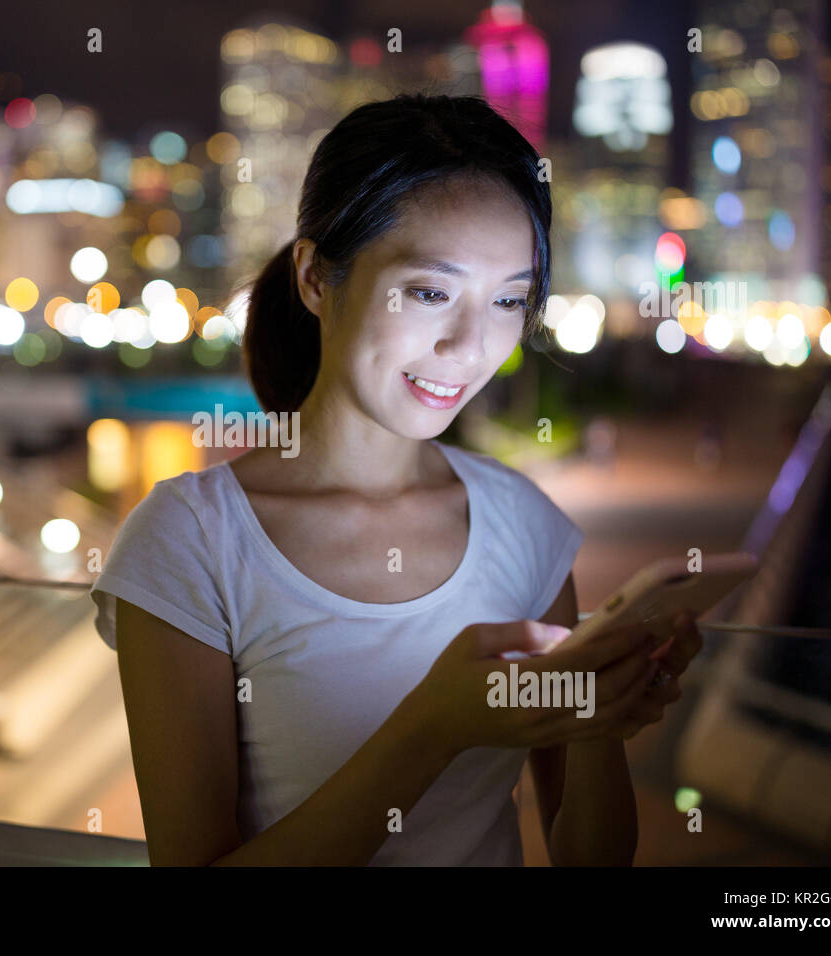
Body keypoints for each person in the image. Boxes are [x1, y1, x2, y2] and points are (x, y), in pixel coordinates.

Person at [90, 94, 702, 866]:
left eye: (509, 300)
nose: (470, 345)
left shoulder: (522, 521)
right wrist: (434, 728)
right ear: (316, 279)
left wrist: (594, 715)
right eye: (429, 292)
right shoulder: (191, 542)